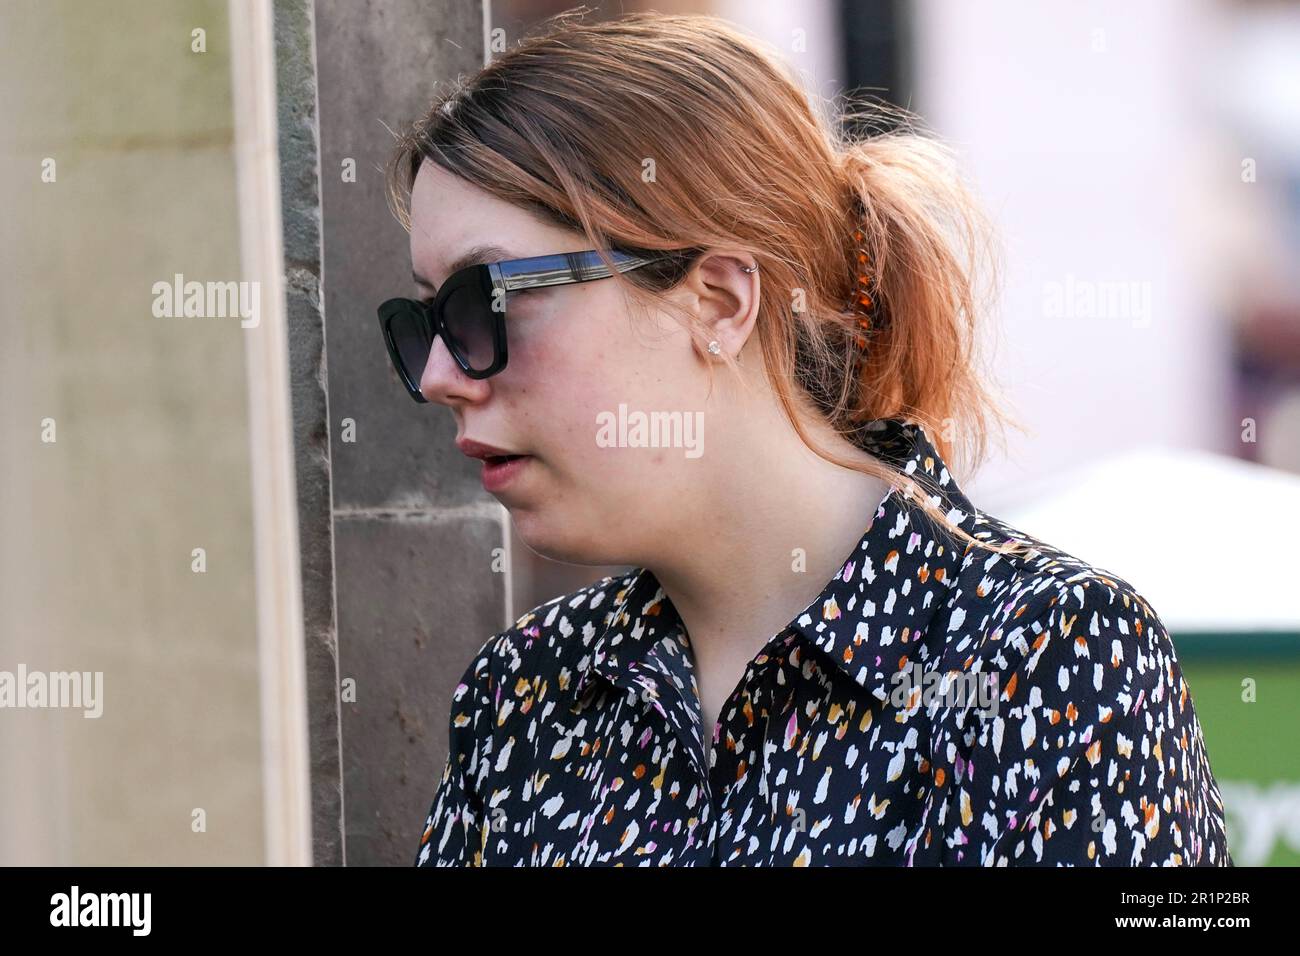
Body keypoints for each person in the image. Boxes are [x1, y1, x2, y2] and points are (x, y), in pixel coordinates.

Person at [379, 11, 1232, 866]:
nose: (440, 376)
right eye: (424, 322)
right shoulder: (528, 692)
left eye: (482, 302)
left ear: (717, 301)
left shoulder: (1047, 656)